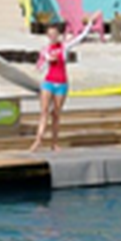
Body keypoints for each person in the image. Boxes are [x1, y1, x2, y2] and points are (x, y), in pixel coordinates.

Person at [29, 16, 97, 153]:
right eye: (50, 35)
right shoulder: (45, 49)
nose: (53, 37)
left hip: (62, 83)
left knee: (56, 114)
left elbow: (80, 37)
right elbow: (39, 67)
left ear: (58, 35)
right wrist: (48, 59)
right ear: (47, 36)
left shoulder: (64, 46)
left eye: (55, 34)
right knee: (44, 112)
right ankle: (38, 140)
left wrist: (89, 24)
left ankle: (54, 143)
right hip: (48, 82)